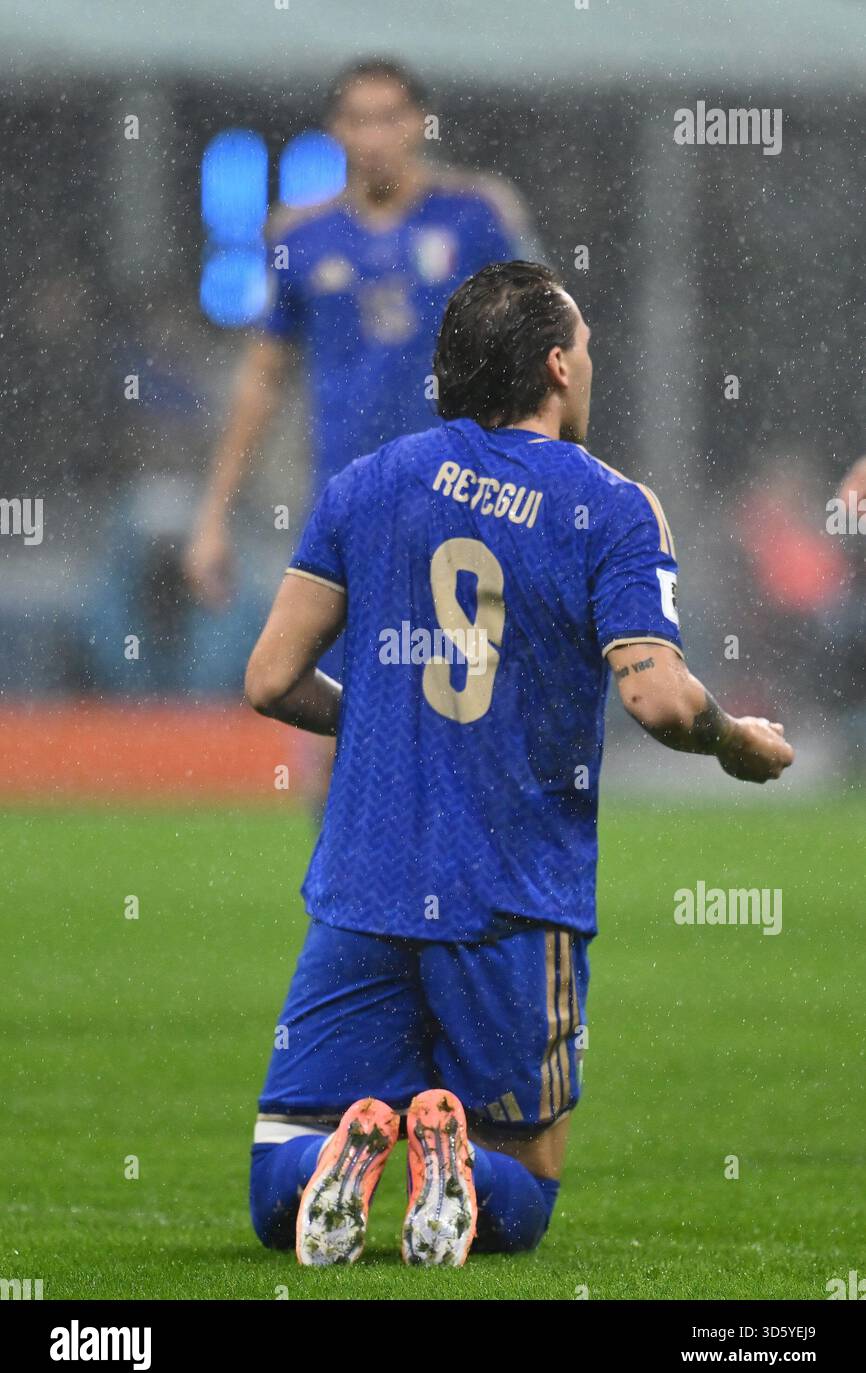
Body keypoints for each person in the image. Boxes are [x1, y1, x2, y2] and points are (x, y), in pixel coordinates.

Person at [243, 261, 794, 1268]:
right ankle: (448, 1161)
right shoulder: (612, 505)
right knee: (526, 1191)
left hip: (365, 885)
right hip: (510, 900)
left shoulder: (366, 484)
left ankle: (348, 1152)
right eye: (582, 346)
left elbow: (272, 677)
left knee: (280, 1164)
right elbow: (656, 697)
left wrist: (382, 722)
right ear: (553, 364)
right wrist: (731, 739)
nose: (589, 362)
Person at [185, 57, 538, 804]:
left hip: (465, 500)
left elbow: (546, 350)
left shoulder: (475, 217)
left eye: (390, 117)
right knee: (340, 721)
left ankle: (470, 902)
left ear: (418, 123)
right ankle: (349, 904)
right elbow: (262, 378)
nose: (375, 135)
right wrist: (214, 515)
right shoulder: (300, 238)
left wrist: (551, 482)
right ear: (335, 130)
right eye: (359, 119)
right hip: (349, 512)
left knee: (470, 713)